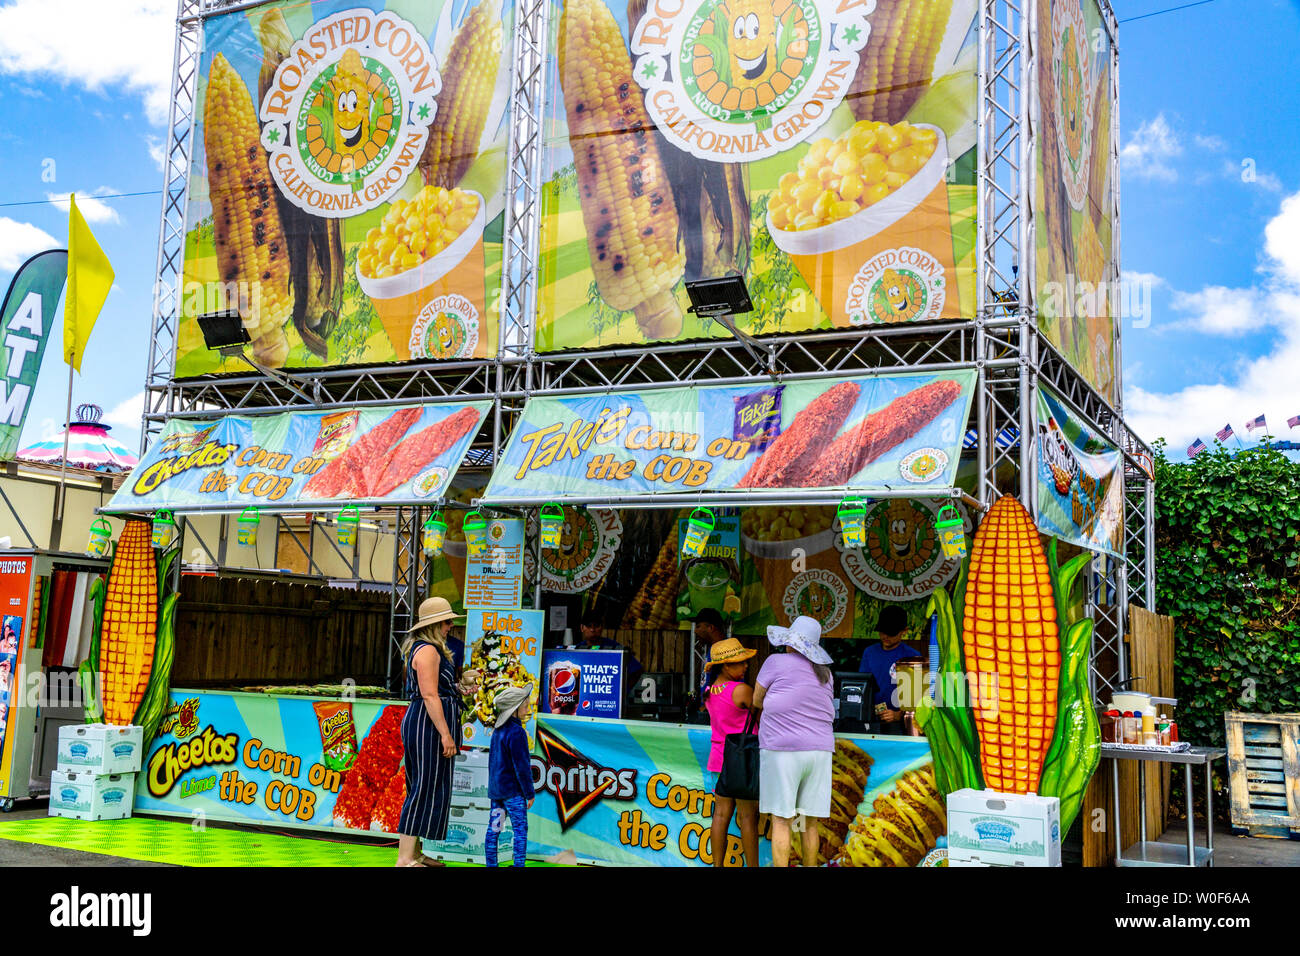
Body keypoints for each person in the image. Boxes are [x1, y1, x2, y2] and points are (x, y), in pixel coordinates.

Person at [396, 597, 479, 867]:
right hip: (427, 724)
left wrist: (459, 689)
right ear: (434, 624)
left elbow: (438, 692)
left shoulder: (429, 650)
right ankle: (405, 858)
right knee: (422, 788)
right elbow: (430, 696)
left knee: (426, 786)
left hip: (426, 721)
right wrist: (445, 734)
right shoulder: (429, 651)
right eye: (446, 621)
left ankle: (416, 852)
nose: (450, 626)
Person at [752, 615, 835, 867]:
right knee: (810, 822)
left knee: (781, 820)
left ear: (790, 642)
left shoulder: (775, 661)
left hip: (782, 749)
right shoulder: (825, 673)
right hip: (820, 751)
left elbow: (756, 700)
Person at [702, 638, 759, 867]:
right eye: (740, 662)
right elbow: (762, 716)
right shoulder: (742, 690)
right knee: (747, 817)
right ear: (726, 665)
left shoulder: (709, 690)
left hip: (718, 757)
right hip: (742, 758)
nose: (746, 666)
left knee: (720, 815)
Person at [486, 684, 535, 868]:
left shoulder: (498, 731)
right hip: (514, 794)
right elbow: (522, 767)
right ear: (514, 709)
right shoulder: (517, 733)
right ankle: (518, 864)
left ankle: (491, 864)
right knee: (520, 829)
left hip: (498, 793)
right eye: (525, 705)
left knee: (495, 829)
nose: (528, 709)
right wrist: (529, 793)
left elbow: (493, 762)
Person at [859, 605, 920, 734]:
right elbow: (862, 685)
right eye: (882, 631)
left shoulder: (912, 657)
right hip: (869, 721)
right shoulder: (869, 652)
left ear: (904, 631)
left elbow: (917, 699)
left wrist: (898, 715)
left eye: (891, 633)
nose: (885, 636)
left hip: (900, 726)